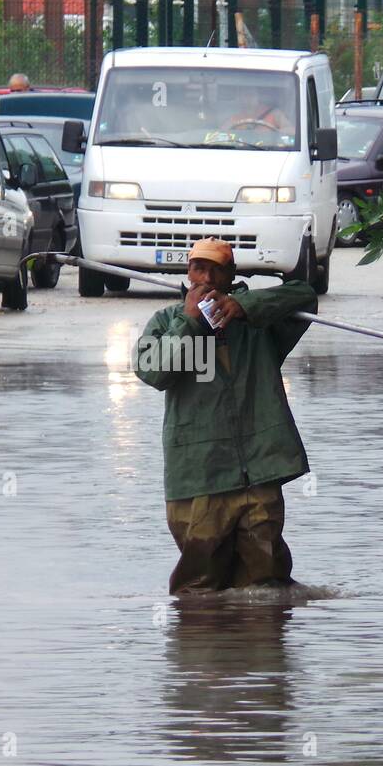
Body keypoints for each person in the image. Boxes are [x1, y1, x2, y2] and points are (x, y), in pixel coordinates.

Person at [133, 238, 319, 594]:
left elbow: (304, 295)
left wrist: (244, 305)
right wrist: (189, 322)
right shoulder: (167, 321)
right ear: (187, 274)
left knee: (267, 587)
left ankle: (257, 647)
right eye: (199, 268)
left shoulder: (257, 321)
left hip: (260, 474)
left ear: (231, 276)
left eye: (217, 269)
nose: (207, 277)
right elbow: (153, 371)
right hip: (199, 478)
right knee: (197, 592)